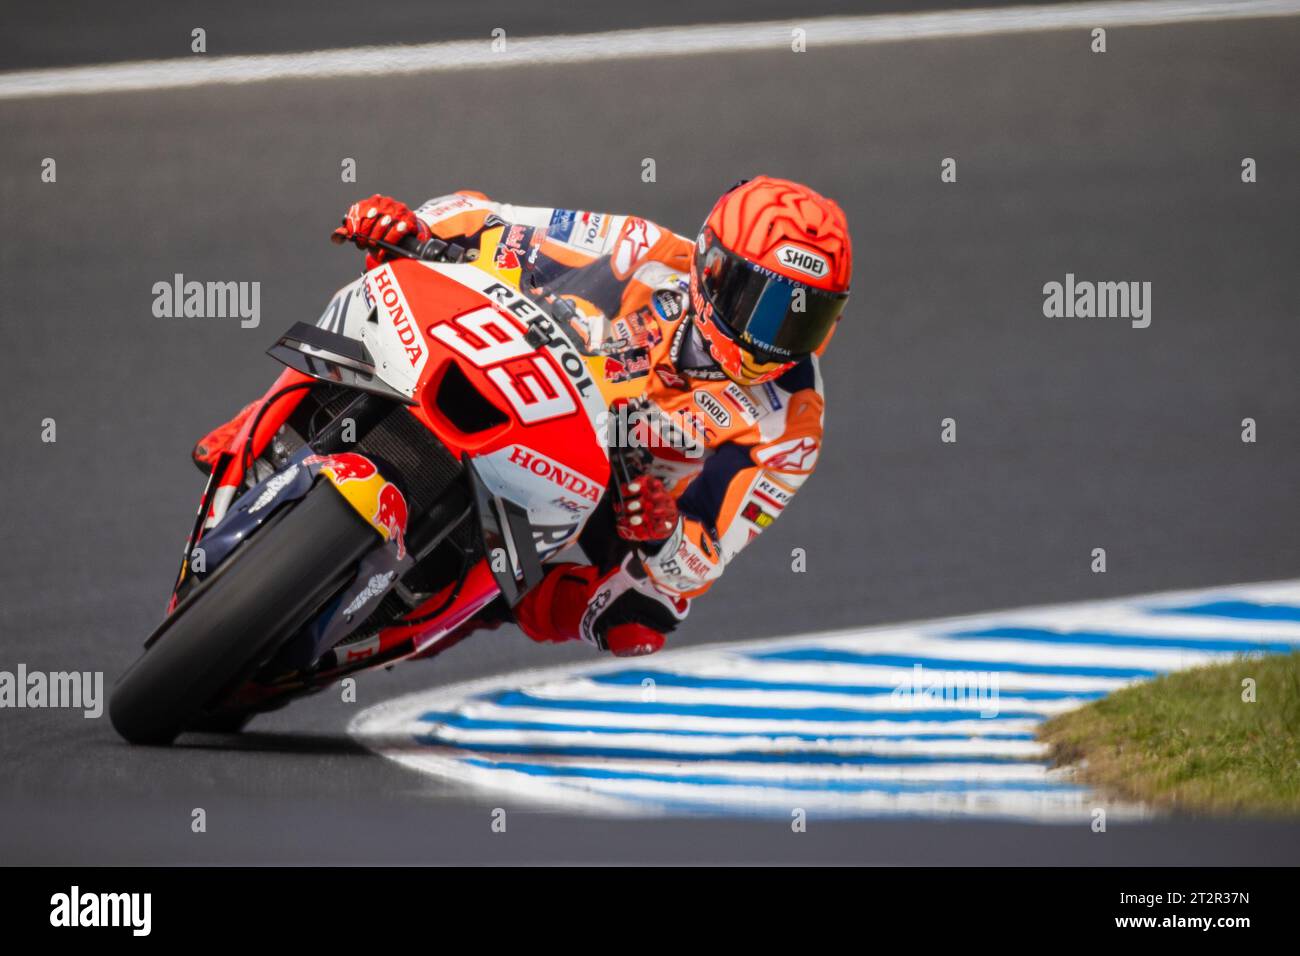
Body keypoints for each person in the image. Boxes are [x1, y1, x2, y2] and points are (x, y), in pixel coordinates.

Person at [194, 177, 851, 657]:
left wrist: (663, 534)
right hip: (521, 381)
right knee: (380, 289)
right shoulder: (634, 249)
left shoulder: (791, 424)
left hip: (604, 498)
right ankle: (257, 420)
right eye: (765, 306)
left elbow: (702, 561)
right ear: (712, 268)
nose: (778, 338)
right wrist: (415, 232)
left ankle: (449, 613)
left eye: (805, 317)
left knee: (633, 624)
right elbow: (492, 222)